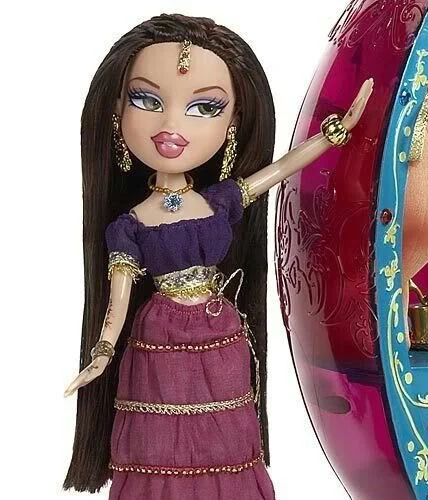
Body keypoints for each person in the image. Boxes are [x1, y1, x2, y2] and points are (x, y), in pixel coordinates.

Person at [63, 12, 373, 499]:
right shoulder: (129, 225)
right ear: (116, 110)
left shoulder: (220, 201)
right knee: (160, 438)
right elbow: (117, 301)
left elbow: (280, 170)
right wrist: (101, 354)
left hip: (219, 329)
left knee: (224, 436)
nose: (171, 125)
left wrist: (333, 134)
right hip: (159, 336)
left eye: (204, 107)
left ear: (234, 124)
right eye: (147, 100)